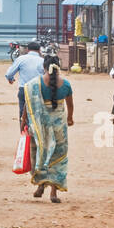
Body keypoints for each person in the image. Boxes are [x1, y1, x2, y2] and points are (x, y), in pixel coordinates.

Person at [23, 54, 73, 202]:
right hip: (59, 127)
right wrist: (70, 118)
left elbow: (28, 104)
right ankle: (53, 193)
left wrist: (23, 119)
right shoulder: (66, 84)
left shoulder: (34, 84)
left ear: (44, 67)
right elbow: (70, 105)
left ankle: (40, 185)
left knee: (41, 154)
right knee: (58, 158)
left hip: (40, 127)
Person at [6, 39, 45, 126]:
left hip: (24, 89)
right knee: (38, 113)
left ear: (27, 50)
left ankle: (23, 134)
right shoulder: (42, 61)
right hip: (39, 90)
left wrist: (11, 79)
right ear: (39, 50)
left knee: (22, 114)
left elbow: (9, 74)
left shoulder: (21, 59)